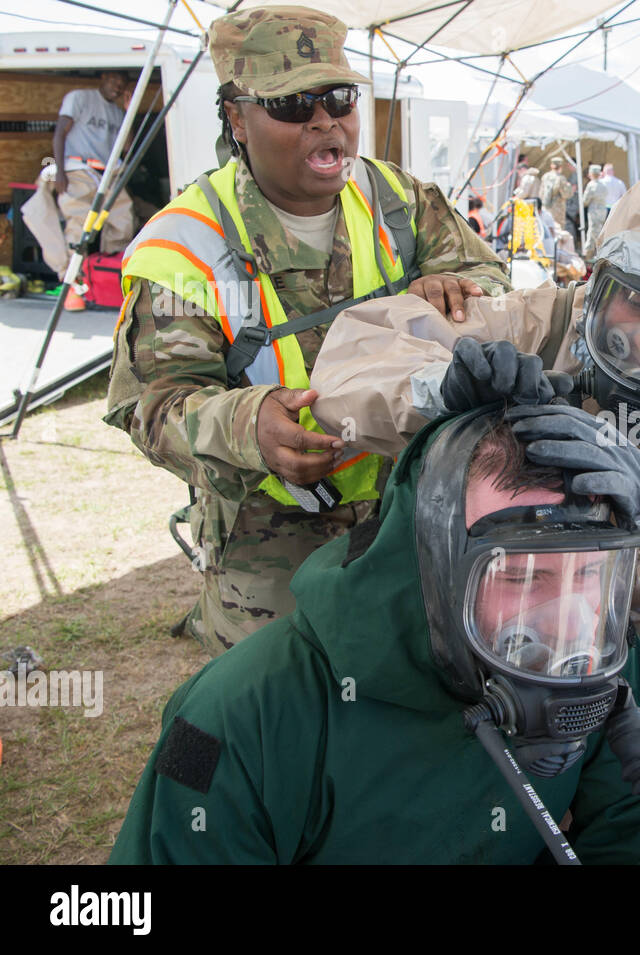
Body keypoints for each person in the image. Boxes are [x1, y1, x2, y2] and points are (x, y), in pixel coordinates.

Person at [308, 134, 640, 864]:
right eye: (635, 301)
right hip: (508, 611)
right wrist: (433, 390)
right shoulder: (544, 320)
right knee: (483, 798)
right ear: (597, 281)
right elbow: (355, 359)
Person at [109, 406, 640, 864]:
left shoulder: (599, 664)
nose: (566, 624)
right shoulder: (241, 714)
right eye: (521, 575)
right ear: (430, 563)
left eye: (591, 573)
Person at [102, 6, 511, 657]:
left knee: (432, 670)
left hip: (408, 496)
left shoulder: (394, 200)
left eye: (338, 97)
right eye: (292, 103)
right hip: (272, 532)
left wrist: (459, 288)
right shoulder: (185, 247)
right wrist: (249, 423)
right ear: (237, 118)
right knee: (289, 701)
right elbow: (149, 405)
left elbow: (484, 274)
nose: (325, 120)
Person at [49, 70, 136, 309]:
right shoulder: (79, 98)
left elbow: (127, 147)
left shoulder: (118, 112)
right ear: (103, 77)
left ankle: (107, 279)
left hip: (107, 174)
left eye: (122, 85)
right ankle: (71, 285)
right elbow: (60, 132)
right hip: (78, 168)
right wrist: (60, 170)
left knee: (123, 220)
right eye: (114, 81)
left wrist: (129, 113)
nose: (118, 88)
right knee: (78, 224)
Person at [540, 157, 575, 242]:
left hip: (546, 208)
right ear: (560, 167)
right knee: (558, 230)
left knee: (546, 228)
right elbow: (566, 194)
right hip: (558, 209)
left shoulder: (545, 176)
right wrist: (569, 187)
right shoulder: (561, 178)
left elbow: (541, 193)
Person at [581, 163, 608, 259]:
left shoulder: (591, 185)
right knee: (600, 232)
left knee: (592, 233)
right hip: (602, 211)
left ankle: (589, 255)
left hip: (594, 212)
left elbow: (585, 201)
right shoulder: (603, 185)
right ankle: (598, 253)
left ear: (591, 174)